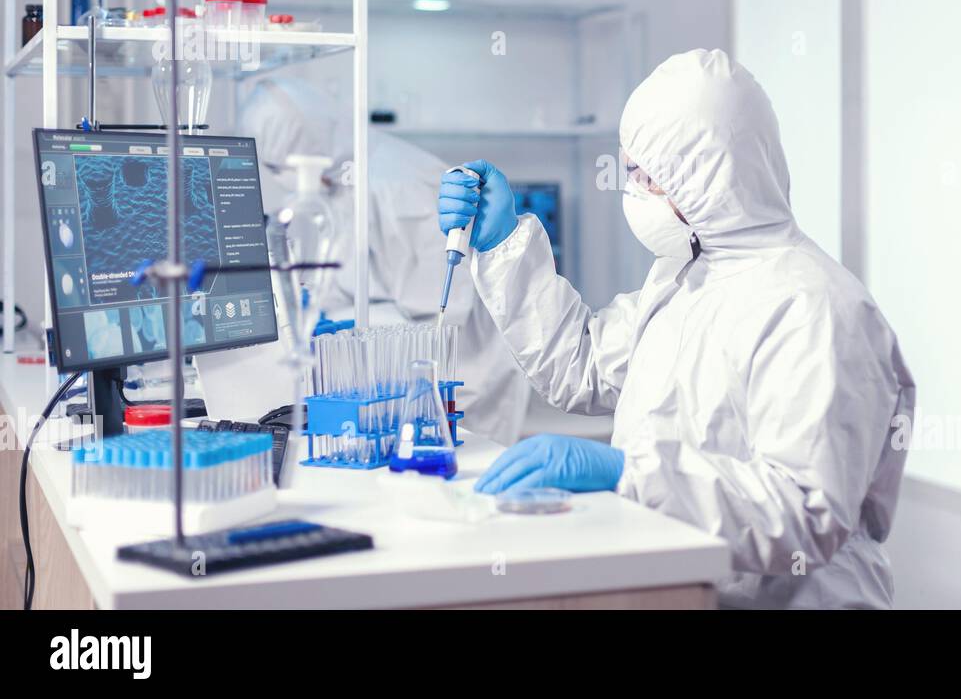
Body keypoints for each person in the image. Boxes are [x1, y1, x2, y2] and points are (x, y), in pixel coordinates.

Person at [440, 49, 916, 609]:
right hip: (685, 588)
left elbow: (803, 513)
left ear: (707, 178)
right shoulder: (688, 274)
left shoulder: (816, 308)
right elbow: (586, 368)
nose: (632, 190)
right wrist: (504, 249)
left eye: (647, 176)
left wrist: (629, 474)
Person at [240, 77, 531, 445]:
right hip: (392, 389)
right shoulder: (340, 180)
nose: (284, 177)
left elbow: (441, 318)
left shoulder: (396, 186)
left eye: (281, 164)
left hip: (461, 382)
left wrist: (346, 335)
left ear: (310, 144)